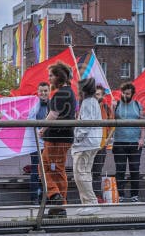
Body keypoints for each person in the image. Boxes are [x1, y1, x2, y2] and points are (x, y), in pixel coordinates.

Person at [39, 61, 77, 218]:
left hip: (56, 138)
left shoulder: (62, 93)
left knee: (44, 169)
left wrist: (42, 129)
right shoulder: (69, 92)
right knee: (56, 169)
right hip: (62, 137)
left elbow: (53, 115)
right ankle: (59, 206)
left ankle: (56, 197)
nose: (49, 78)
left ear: (59, 77)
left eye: (51, 76)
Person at [71, 77, 102, 216]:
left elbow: (86, 124)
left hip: (85, 144)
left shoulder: (88, 102)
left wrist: (76, 138)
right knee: (84, 173)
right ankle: (87, 203)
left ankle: (91, 202)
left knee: (80, 173)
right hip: (91, 142)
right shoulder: (92, 101)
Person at [112, 82, 145, 202]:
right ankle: (120, 195)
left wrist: (142, 138)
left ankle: (134, 195)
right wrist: (112, 108)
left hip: (135, 143)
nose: (125, 95)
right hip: (119, 142)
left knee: (135, 169)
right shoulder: (117, 104)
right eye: (123, 93)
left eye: (127, 94)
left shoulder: (138, 105)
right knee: (120, 169)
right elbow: (110, 121)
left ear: (132, 94)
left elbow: (143, 124)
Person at [27, 81, 50, 204]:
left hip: (49, 143)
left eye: (45, 91)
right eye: (41, 91)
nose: (43, 93)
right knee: (36, 171)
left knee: (48, 170)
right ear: (38, 91)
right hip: (36, 144)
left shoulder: (53, 105)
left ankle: (47, 196)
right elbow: (29, 121)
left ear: (49, 91)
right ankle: (34, 198)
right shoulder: (34, 105)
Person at [91, 85, 115, 201]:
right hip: (89, 145)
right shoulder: (88, 107)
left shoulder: (106, 108)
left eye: (98, 94)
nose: (96, 97)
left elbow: (112, 126)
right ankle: (88, 197)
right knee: (86, 172)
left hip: (101, 145)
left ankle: (96, 196)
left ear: (102, 95)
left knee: (96, 171)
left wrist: (107, 139)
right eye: (94, 94)